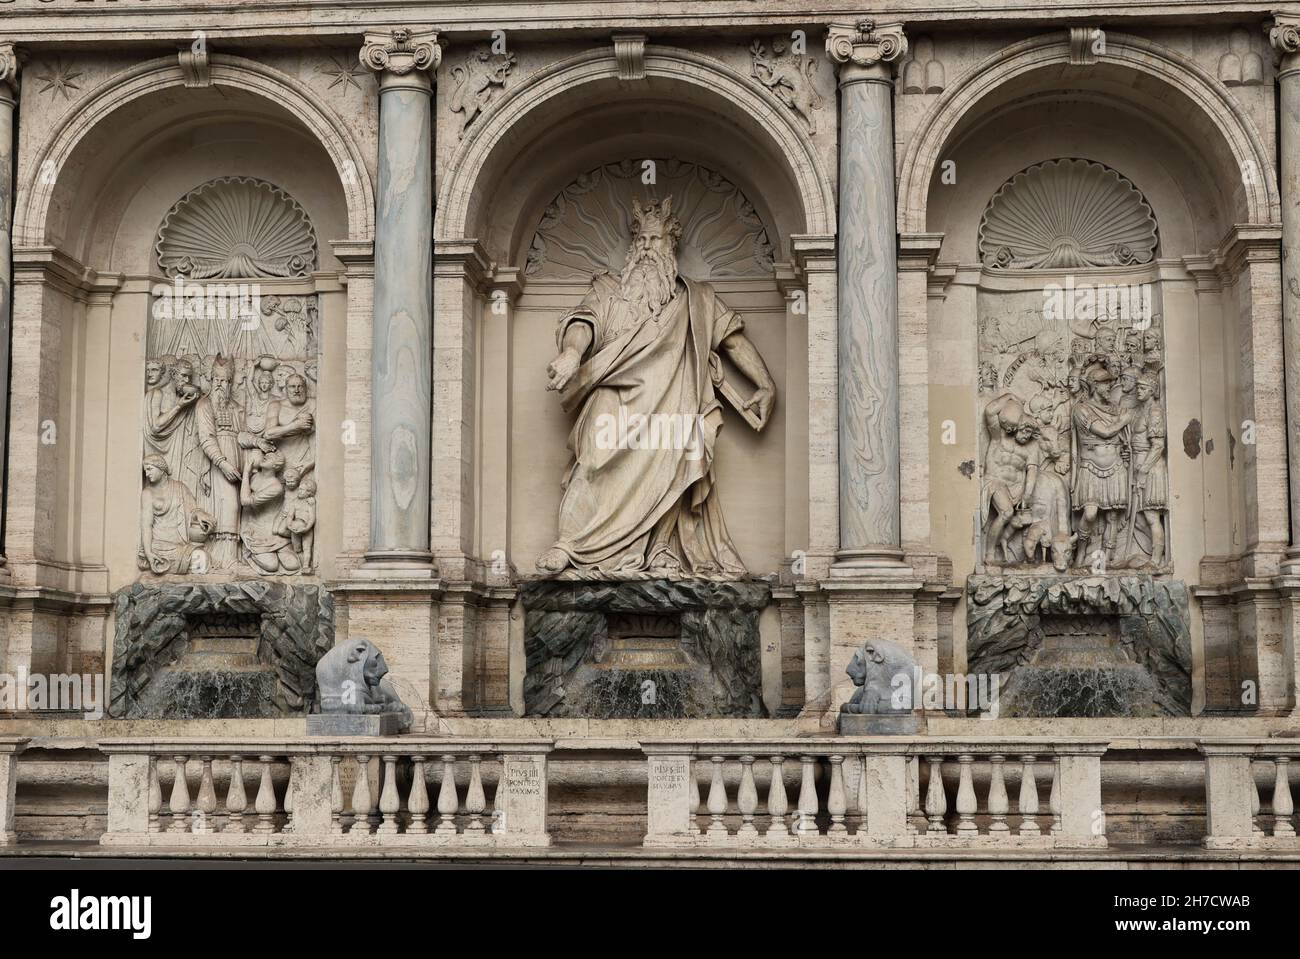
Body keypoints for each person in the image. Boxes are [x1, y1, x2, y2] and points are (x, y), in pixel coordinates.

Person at [537, 195, 777, 577]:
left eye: (656, 241)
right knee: (593, 459)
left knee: (678, 451)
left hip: (673, 399)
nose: (648, 249)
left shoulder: (696, 298)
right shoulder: (609, 289)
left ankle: (662, 548)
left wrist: (764, 383)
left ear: (671, 245)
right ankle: (571, 542)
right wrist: (571, 354)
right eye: (642, 241)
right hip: (613, 395)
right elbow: (584, 322)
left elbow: (731, 340)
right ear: (633, 246)